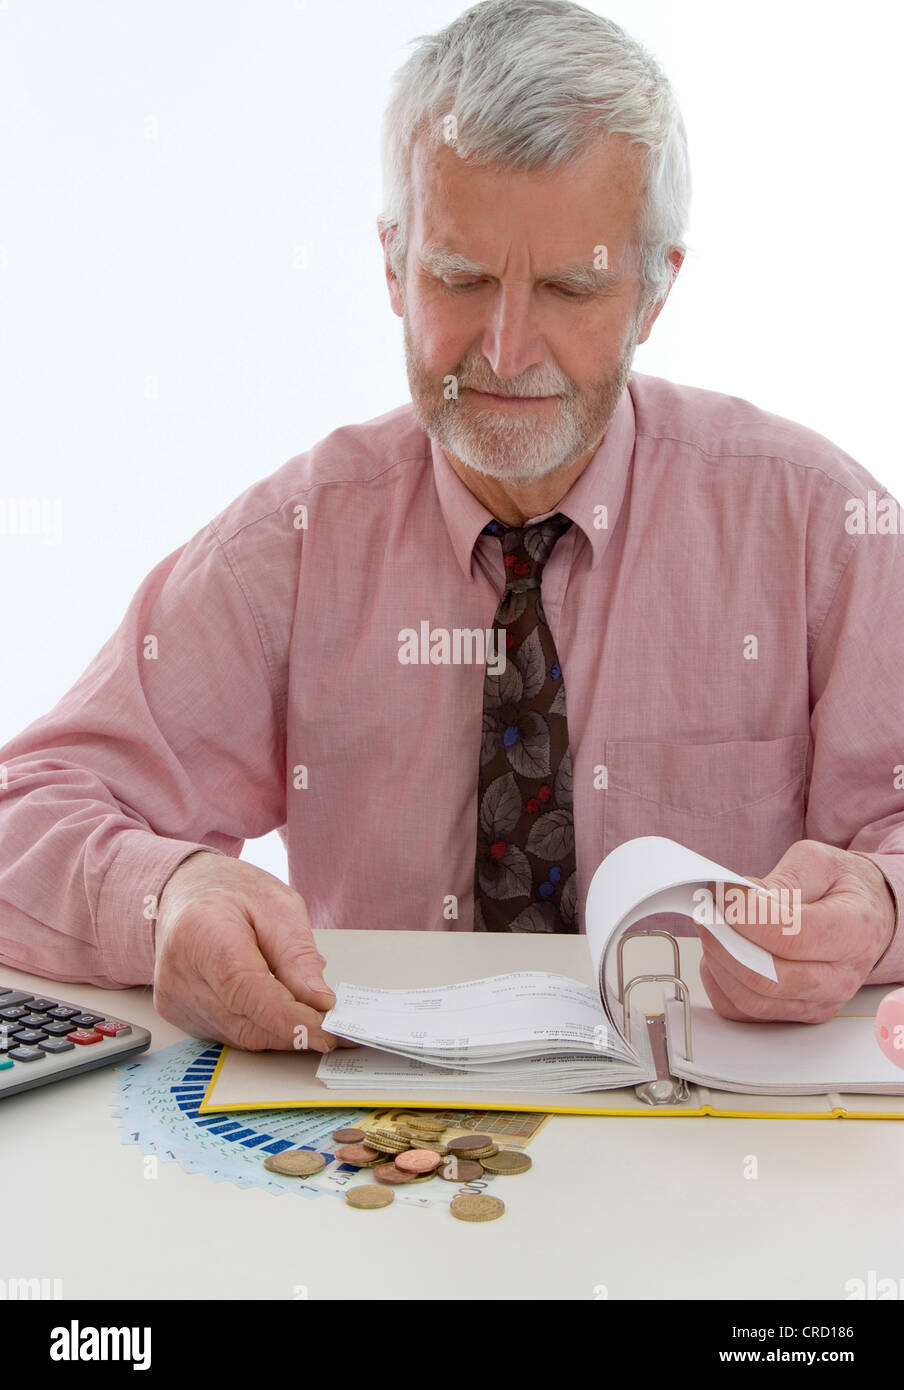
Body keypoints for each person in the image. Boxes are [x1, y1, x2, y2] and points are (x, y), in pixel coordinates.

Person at [1, 0, 902, 1058]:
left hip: (729, 1162)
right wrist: (168, 896)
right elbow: (27, 812)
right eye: (460, 278)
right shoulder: (289, 549)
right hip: (378, 1144)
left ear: (654, 292)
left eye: (572, 286)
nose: (507, 349)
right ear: (392, 266)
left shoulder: (820, 528)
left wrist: (878, 903)